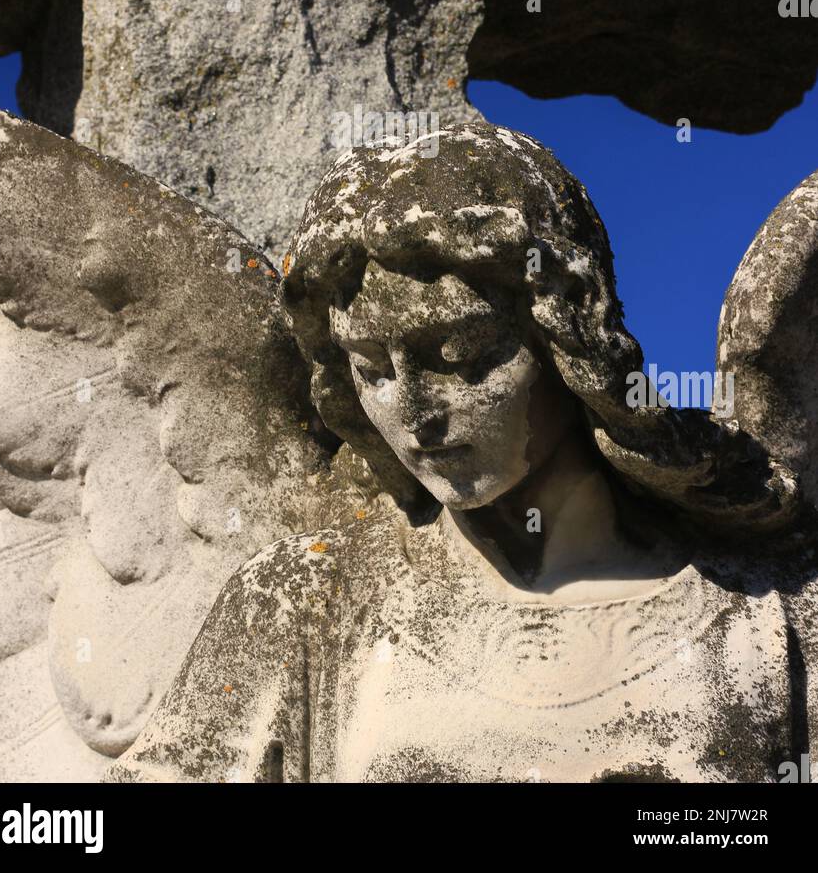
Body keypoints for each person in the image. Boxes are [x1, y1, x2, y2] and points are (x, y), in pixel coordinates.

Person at [106, 120, 811, 783]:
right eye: (372, 370)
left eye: (461, 355)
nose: (415, 414)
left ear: (569, 343)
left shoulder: (767, 606)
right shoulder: (303, 606)